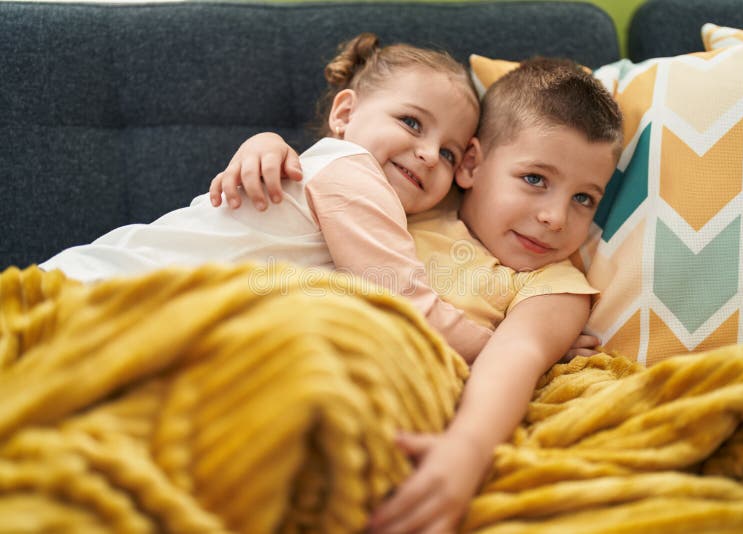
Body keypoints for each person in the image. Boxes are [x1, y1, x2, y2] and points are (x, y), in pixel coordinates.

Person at [208, 57, 623, 533]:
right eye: (535, 179)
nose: (555, 217)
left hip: (379, 388)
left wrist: (468, 448)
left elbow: (520, 353)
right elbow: (330, 171)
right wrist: (265, 143)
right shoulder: (417, 193)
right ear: (471, 164)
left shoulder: (554, 282)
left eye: (584, 199)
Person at [39, 33, 494, 361]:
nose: (430, 155)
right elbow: (405, 302)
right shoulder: (353, 175)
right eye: (412, 123)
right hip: (104, 289)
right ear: (346, 113)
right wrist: (508, 348)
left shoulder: (333, 176)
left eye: (450, 154)